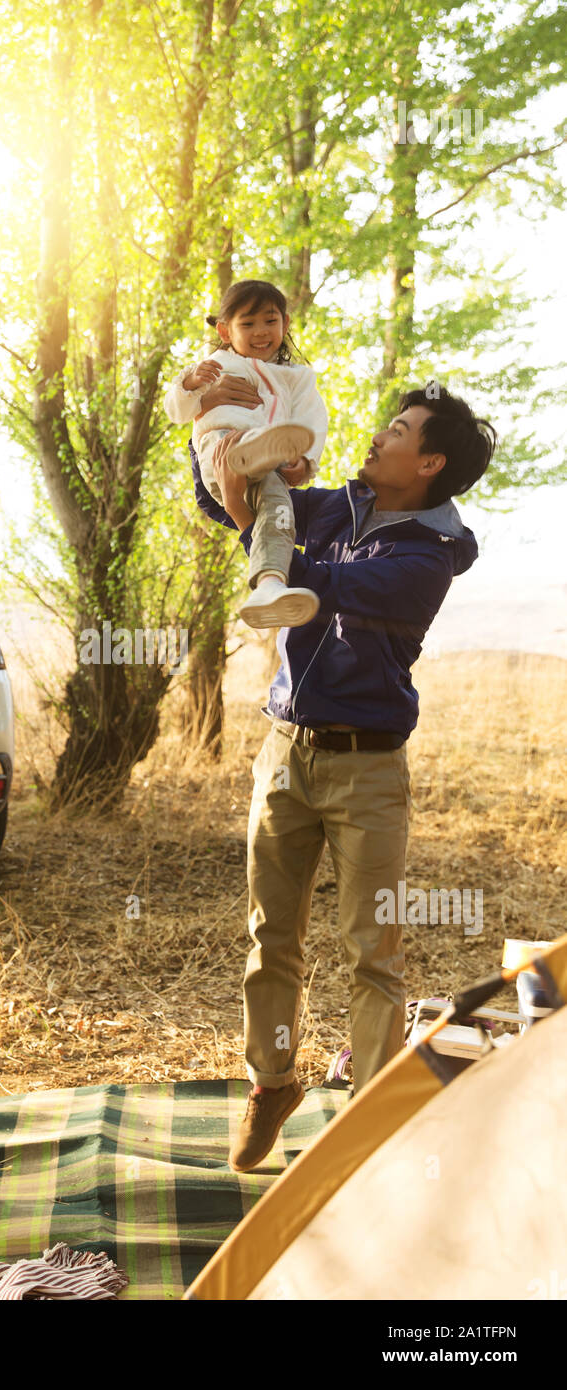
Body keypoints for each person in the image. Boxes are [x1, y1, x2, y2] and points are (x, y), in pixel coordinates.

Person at [189, 383, 497, 1171]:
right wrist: (224, 426)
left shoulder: (428, 559)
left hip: (369, 772)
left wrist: (271, 529)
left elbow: (307, 581)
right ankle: (274, 1084)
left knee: (373, 953)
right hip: (287, 752)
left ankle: (367, 1137)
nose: (377, 437)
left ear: (429, 463)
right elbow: (233, 502)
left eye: (396, 431)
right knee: (271, 937)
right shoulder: (333, 506)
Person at [164, 278, 328, 629]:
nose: (261, 332)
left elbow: (313, 421)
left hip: (268, 471)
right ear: (225, 331)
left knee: (280, 512)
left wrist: (305, 462)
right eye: (247, 323)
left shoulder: (297, 378)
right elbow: (176, 411)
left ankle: (269, 583)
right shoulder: (214, 366)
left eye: (270, 321)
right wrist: (191, 385)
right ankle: (253, 449)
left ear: (285, 324)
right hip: (220, 452)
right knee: (251, 458)